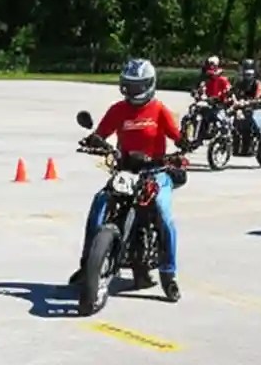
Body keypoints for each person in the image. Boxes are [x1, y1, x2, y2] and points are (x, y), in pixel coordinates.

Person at [71, 58, 187, 301]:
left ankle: (169, 273)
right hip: (125, 171)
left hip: (156, 172)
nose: (132, 91)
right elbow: (101, 134)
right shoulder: (118, 110)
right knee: (100, 203)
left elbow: (177, 137)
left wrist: (185, 144)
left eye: (137, 86)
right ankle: (86, 264)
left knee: (164, 214)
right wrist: (93, 141)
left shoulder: (159, 110)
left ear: (149, 84)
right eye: (129, 86)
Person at [231, 58, 261, 139]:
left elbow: (258, 96)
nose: (247, 76)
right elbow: (233, 93)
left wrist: (248, 102)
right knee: (235, 123)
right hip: (243, 109)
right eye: (245, 74)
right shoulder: (239, 83)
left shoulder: (257, 83)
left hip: (257, 108)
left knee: (255, 124)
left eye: (249, 74)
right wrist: (233, 100)